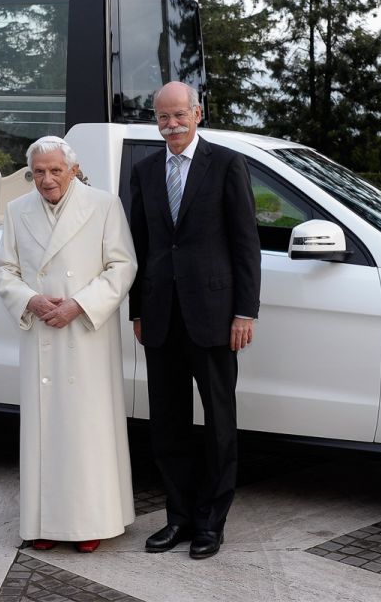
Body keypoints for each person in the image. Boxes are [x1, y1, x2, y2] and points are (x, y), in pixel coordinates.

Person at [128, 81, 261, 560]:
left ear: (197, 113)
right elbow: (138, 249)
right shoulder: (143, 171)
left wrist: (245, 311)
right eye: (163, 117)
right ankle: (178, 518)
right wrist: (137, 310)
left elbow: (246, 244)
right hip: (160, 318)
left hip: (216, 317)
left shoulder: (226, 164)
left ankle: (211, 523)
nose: (172, 124)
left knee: (220, 423)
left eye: (180, 115)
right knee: (167, 426)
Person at [0, 136, 137, 553]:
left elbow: (123, 265)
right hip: (41, 330)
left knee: (85, 431)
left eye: (55, 170)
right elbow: (4, 270)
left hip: (85, 333)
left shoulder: (103, 204)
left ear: (72, 170)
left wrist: (80, 304)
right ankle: (43, 521)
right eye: (39, 172)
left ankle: (91, 520)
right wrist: (30, 300)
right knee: (44, 431)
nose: (47, 179)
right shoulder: (17, 211)